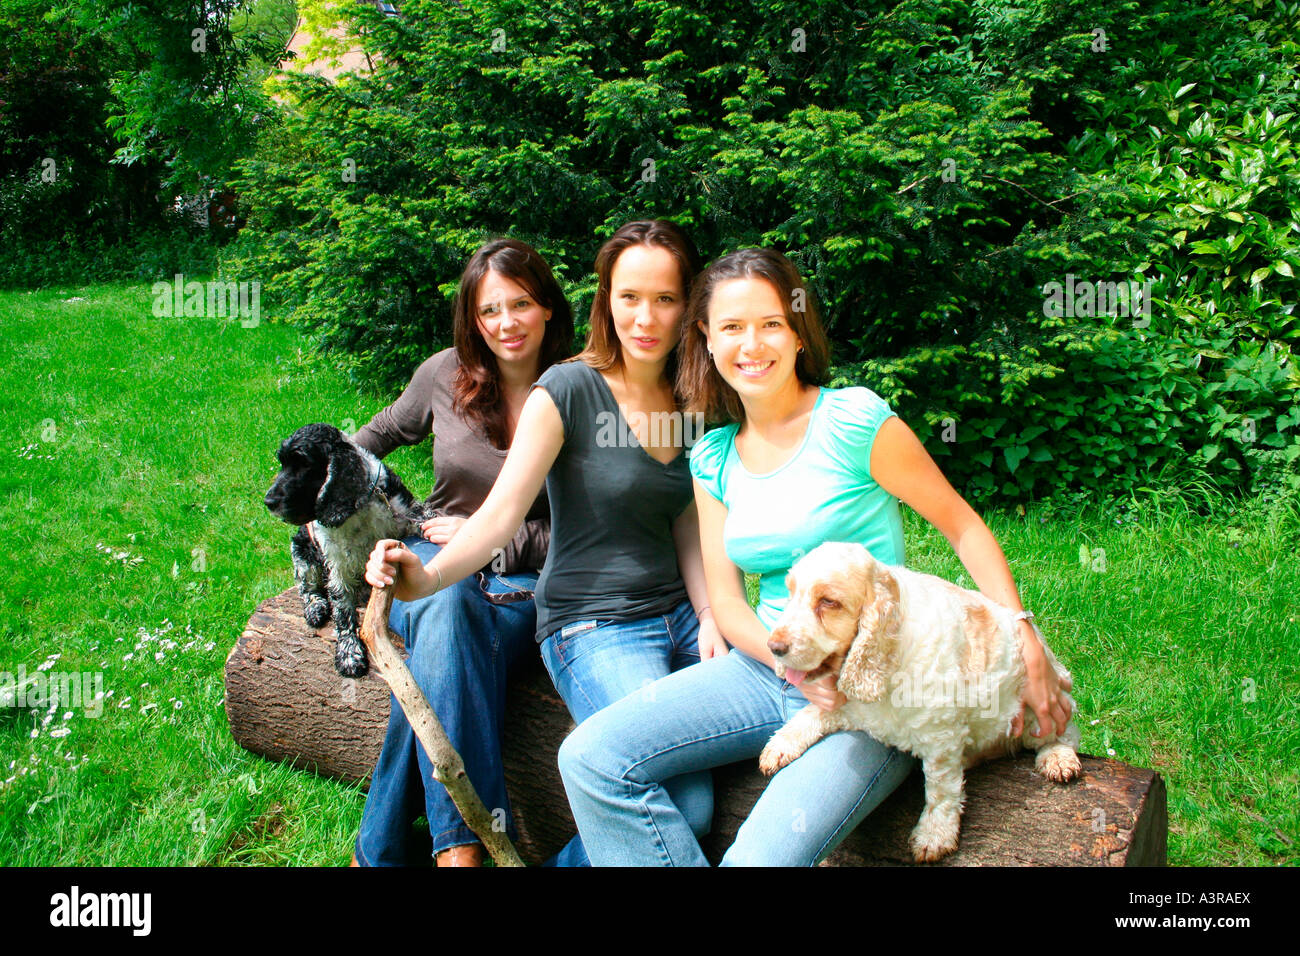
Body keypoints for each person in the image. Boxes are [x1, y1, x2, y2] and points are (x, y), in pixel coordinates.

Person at [554, 247, 1075, 865]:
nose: (753, 344)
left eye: (771, 323)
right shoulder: (713, 456)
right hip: (763, 666)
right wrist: (793, 671)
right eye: (732, 327)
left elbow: (963, 528)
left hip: (872, 687)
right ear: (706, 340)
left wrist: (1022, 635)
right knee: (590, 757)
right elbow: (725, 600)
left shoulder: (853, 420)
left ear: (799, 333)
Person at [365, 220, 724, 863]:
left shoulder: (695, 397)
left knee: (694, 807)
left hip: (678, 614)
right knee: (678, 805)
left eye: (665, 299)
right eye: (629, 298)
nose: (645, 318)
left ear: (689, 306)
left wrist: (708, 612)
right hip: (595, 623)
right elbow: (499, 515)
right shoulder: (566, 388)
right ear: (605, 302)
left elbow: (685, 519)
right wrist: (426, 577)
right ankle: (441, 848)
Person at [350, 237, 574, 867]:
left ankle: (384, 853)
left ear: (549, 307)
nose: (506, 324)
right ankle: (462, 855)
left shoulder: (579, 389)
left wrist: (496, 543)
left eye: (521, 304)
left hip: (527, 585)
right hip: (430, 569)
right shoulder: (445, 374)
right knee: (444, 610)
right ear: (473, 320)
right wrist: (329, 500)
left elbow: (592, 528)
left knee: (440, 650)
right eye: (489, 311)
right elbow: (377, 435)